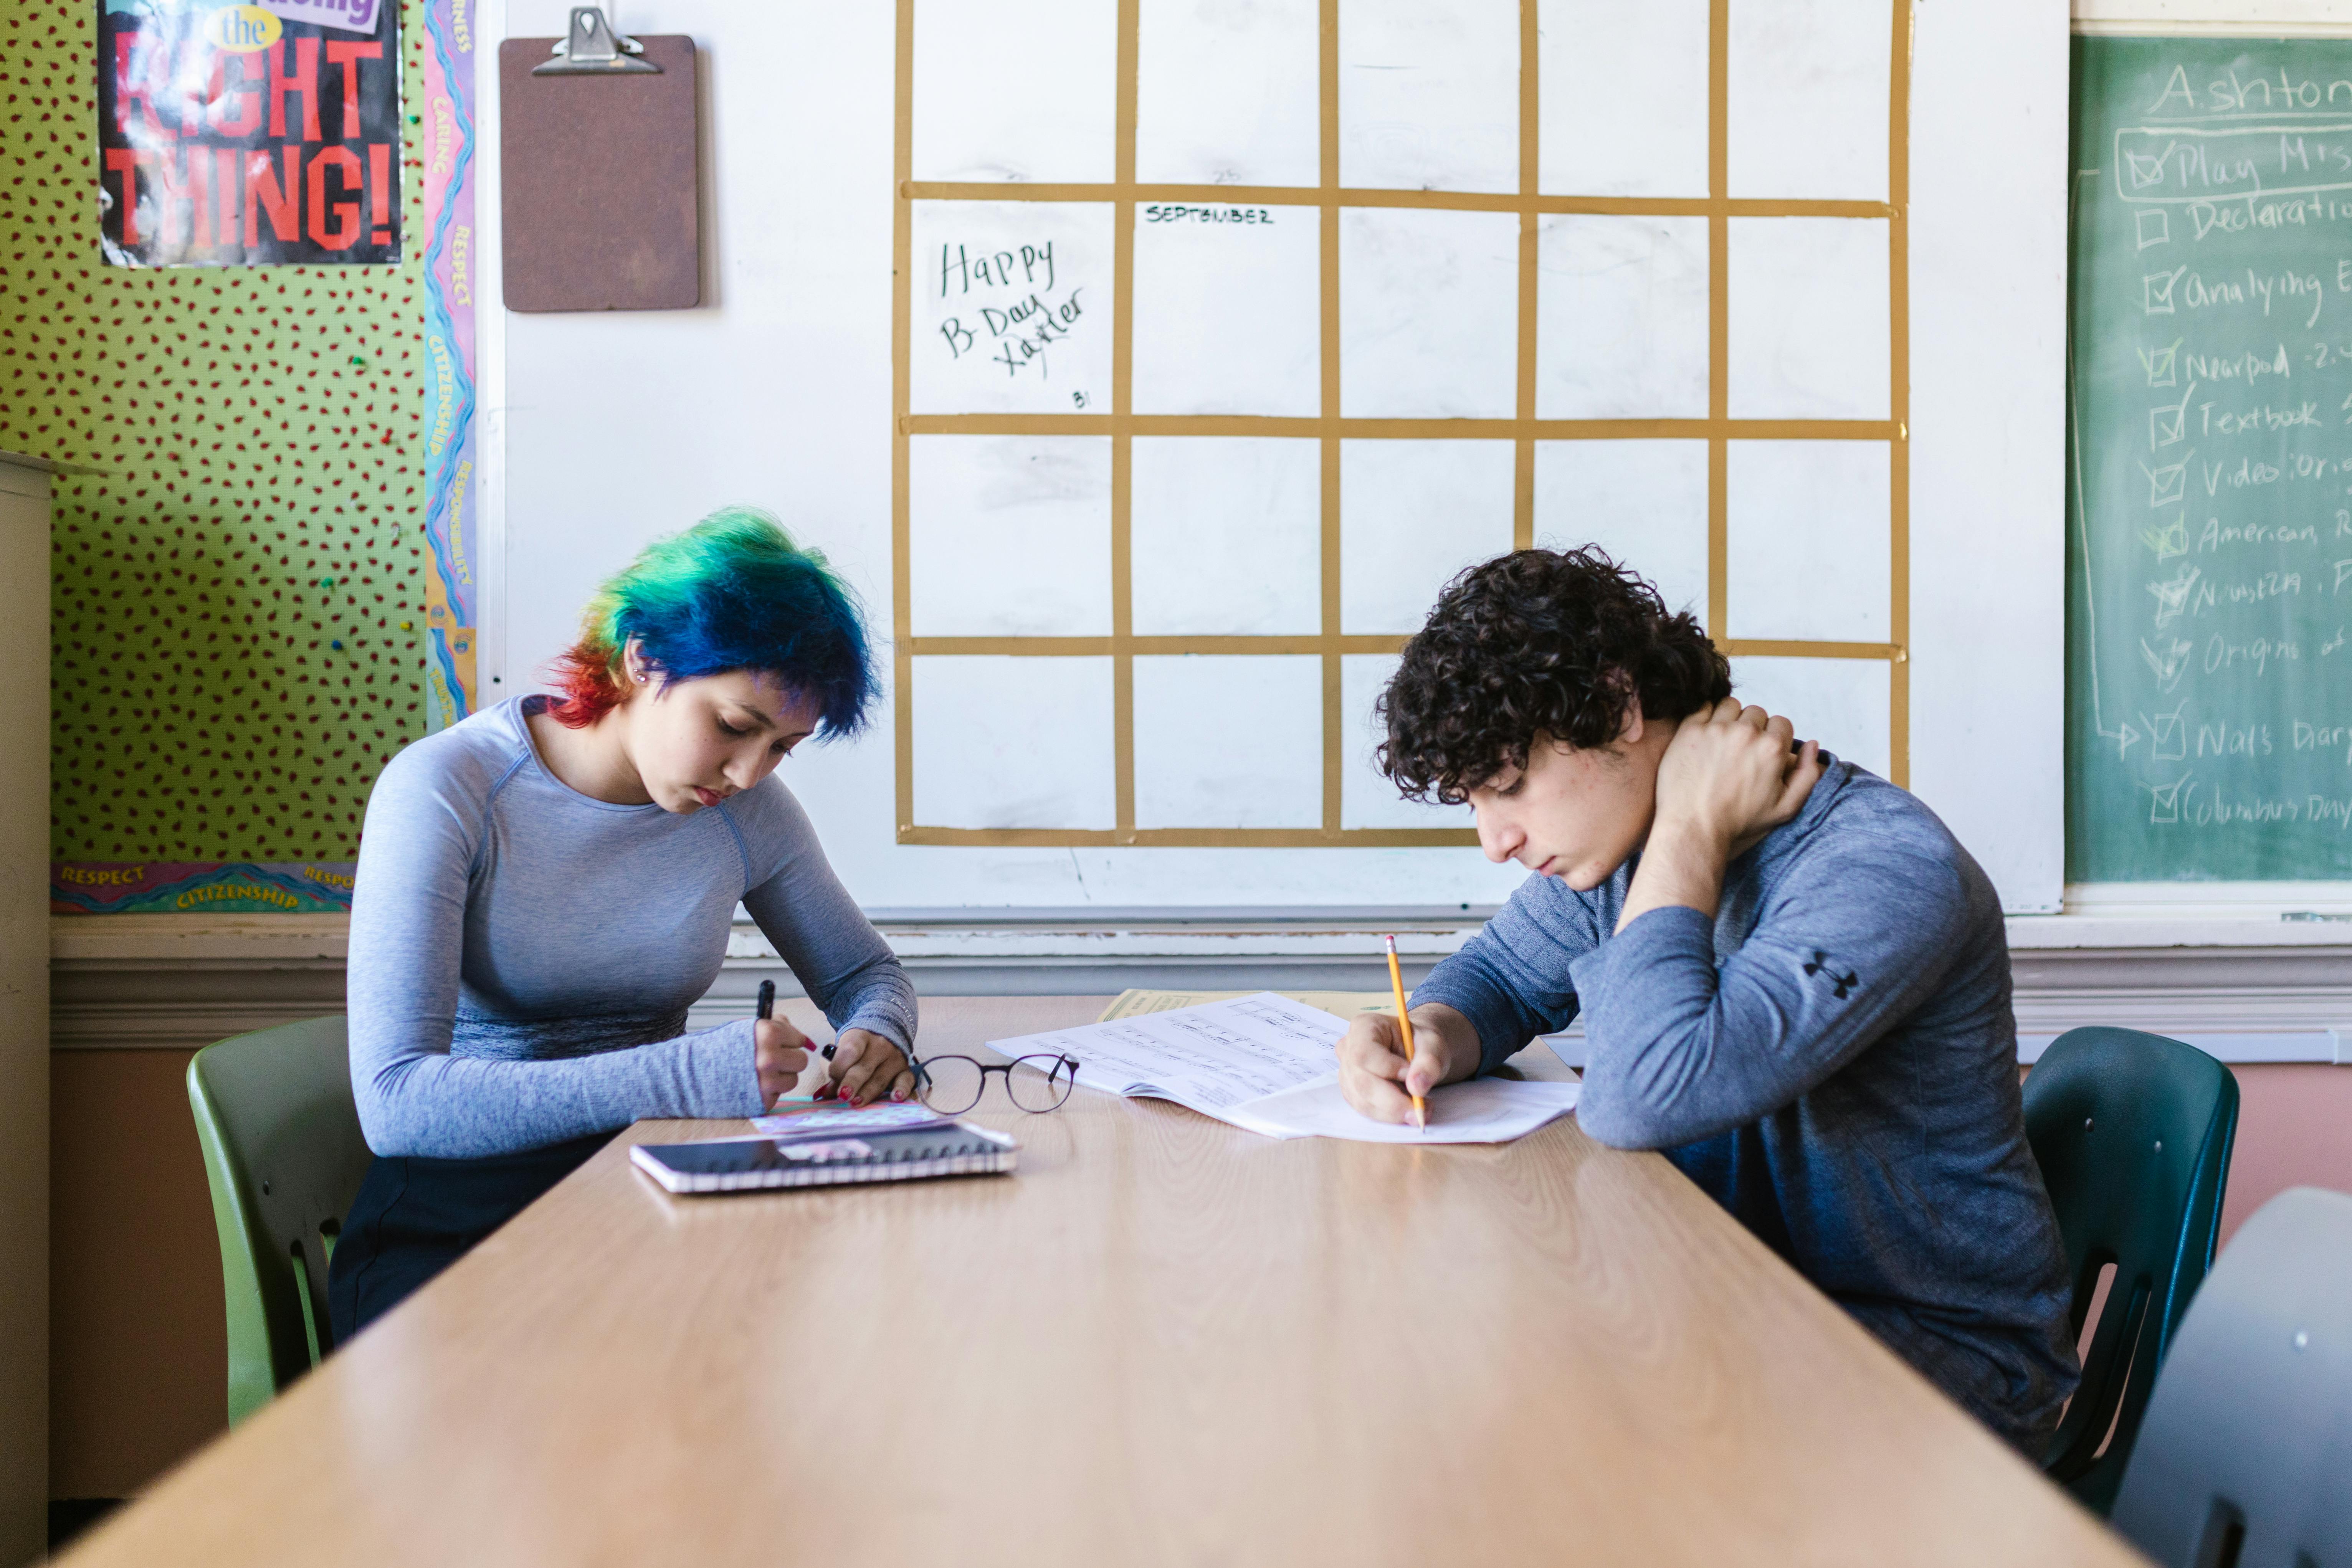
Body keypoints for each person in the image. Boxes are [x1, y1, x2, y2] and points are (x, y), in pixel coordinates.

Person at [1336, 547, 2080, 1455]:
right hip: (1730, 1291)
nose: (1495, 841)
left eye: (1508, 786)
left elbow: (1642, 1098)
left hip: (1928, 1361)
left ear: (1617, 707)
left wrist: (1691, 825)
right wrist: (1427, 1039)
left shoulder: (1881, 869)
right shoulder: (1622, 850)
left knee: (1526, 1428)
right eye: (1474, 803)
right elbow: (1493, 979)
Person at [329, 508, 917, 1339]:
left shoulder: (744, 811)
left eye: (784, 747)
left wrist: (879, 1031)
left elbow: (865, 976)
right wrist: (684, 1078)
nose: (750, 773)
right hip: (460, 1225)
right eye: (735, 727)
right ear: (643, 660)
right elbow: (398, 1106)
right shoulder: (444, 790)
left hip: (651, 1195)